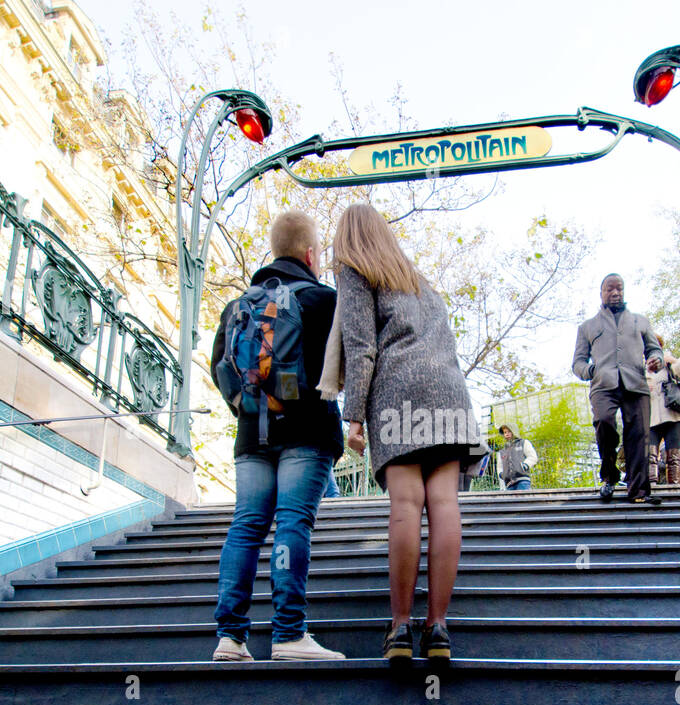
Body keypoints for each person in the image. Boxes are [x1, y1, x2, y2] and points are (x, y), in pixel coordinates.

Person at [327, 202, 485, 667]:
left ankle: (399, 626)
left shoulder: (356, 271)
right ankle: (437, 626)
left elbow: (361, 346)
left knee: (405, 507)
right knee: (444, 505)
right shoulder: (420, 282)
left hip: (398, 392)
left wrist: (352, 415)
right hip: (449, 394)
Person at [210, 211, 345, 662]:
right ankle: (289, 633)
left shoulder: (237, 306)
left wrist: (250, 406)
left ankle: (231, 637)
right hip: (305, 432)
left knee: (246, 526)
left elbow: (219, 367)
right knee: (291, 522)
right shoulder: (324, 300)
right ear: (311, 254)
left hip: (252, 433)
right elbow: (341, 368)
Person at [571, 273, 663, 504]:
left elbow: (654, 349)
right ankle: (609, 478)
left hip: (636, 384)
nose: (615, 293)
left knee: (639, 434)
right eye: (610, 289)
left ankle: (639, 491)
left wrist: (656, 360)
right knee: (604, 423)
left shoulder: (640, 321)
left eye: (619, 289)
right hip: (603, 386)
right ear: (601, 293)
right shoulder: (587, 327)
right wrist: (592, 371)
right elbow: (577, 363)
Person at [646, 337, 680, 485]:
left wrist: (675, 362)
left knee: (673, 454)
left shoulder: (669, 363)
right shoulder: (639, 367)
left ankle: (674, 488)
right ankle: (651, 486)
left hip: (673, 414)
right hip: (650, 416)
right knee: (650, 454)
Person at [496, 424, 537, 491]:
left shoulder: (523, 443)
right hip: (509, 483)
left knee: (523, 500)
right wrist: (501, 474)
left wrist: (525, 465)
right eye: (505, 432)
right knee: (511, 501)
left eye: (509, 432)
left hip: (523, 480)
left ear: (514, 431)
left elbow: (533, 456)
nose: (507, 434)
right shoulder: (503, 451)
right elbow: (499, 466)